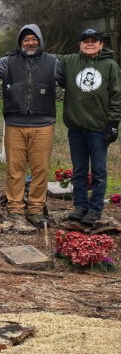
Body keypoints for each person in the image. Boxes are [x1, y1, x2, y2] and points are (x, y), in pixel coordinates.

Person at [0, 24, 59, 229]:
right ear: (20, 43)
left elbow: (73, 77)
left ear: (40, 41)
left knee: (40, 169)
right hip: (15, 124)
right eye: (26, 40)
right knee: (14, 169)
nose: (30, 43)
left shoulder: (53, 62)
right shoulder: (7, 62)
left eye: (33, 39)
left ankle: (36, 209)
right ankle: (15, 209)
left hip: (43, 124)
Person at [55, 28, 121, 226]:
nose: (89, 44)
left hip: (98, 129)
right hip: (76, 127)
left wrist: (114, 123)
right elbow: (47, 59)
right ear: (80, 44)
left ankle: (95, 208)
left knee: (99, 170)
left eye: (94, 41)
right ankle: (80, 205)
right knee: (79, 170)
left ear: (101, 44)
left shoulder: (110, 66)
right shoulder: (70, 61)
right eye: (85, 41)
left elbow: (117, 95)